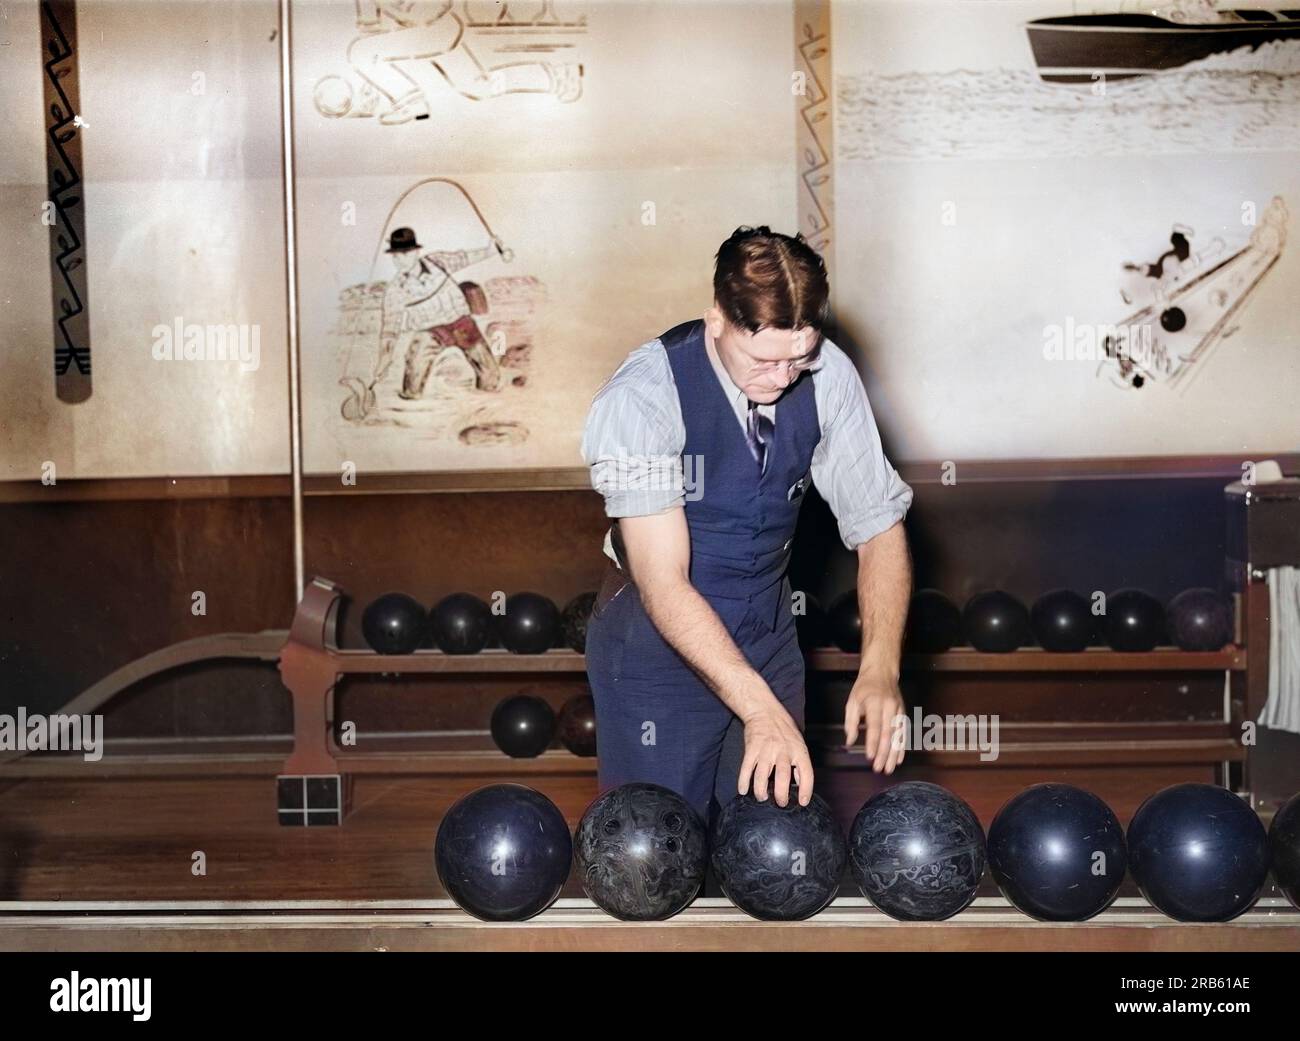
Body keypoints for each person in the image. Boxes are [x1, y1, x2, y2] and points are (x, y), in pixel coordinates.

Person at [580, 226, 913, 821]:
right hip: (658, 643)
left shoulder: (826, 373)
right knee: (657, 858)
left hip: (767, 629)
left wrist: (881, 668)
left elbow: (879, 529)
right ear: (716, 320)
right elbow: (664, 583)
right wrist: (759, 711)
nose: (782, 379)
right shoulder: (643, 397)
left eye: (799, 357)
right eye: (763, 359)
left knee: (776, 854)